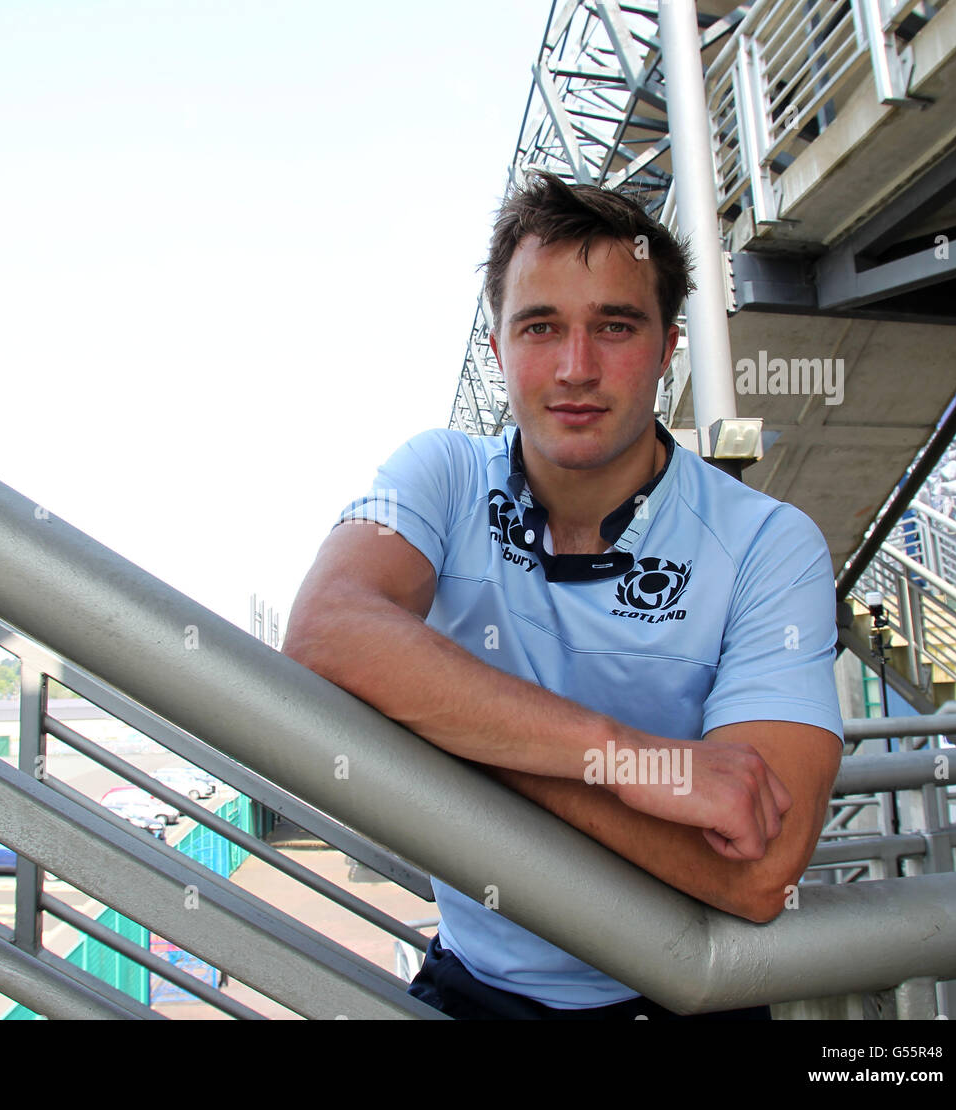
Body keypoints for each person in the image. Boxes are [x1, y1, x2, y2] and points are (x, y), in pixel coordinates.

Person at [282, 171, 844, 1019]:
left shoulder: (771, 542)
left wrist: (469, 745)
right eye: (540, 327)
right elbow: (326, 628)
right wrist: (626, 759)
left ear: (665, 349)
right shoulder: (441, 472)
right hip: (475, 981)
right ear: (499, 347)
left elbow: (759, 872)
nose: (576, 368)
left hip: (688, 988)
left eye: (614, 326)